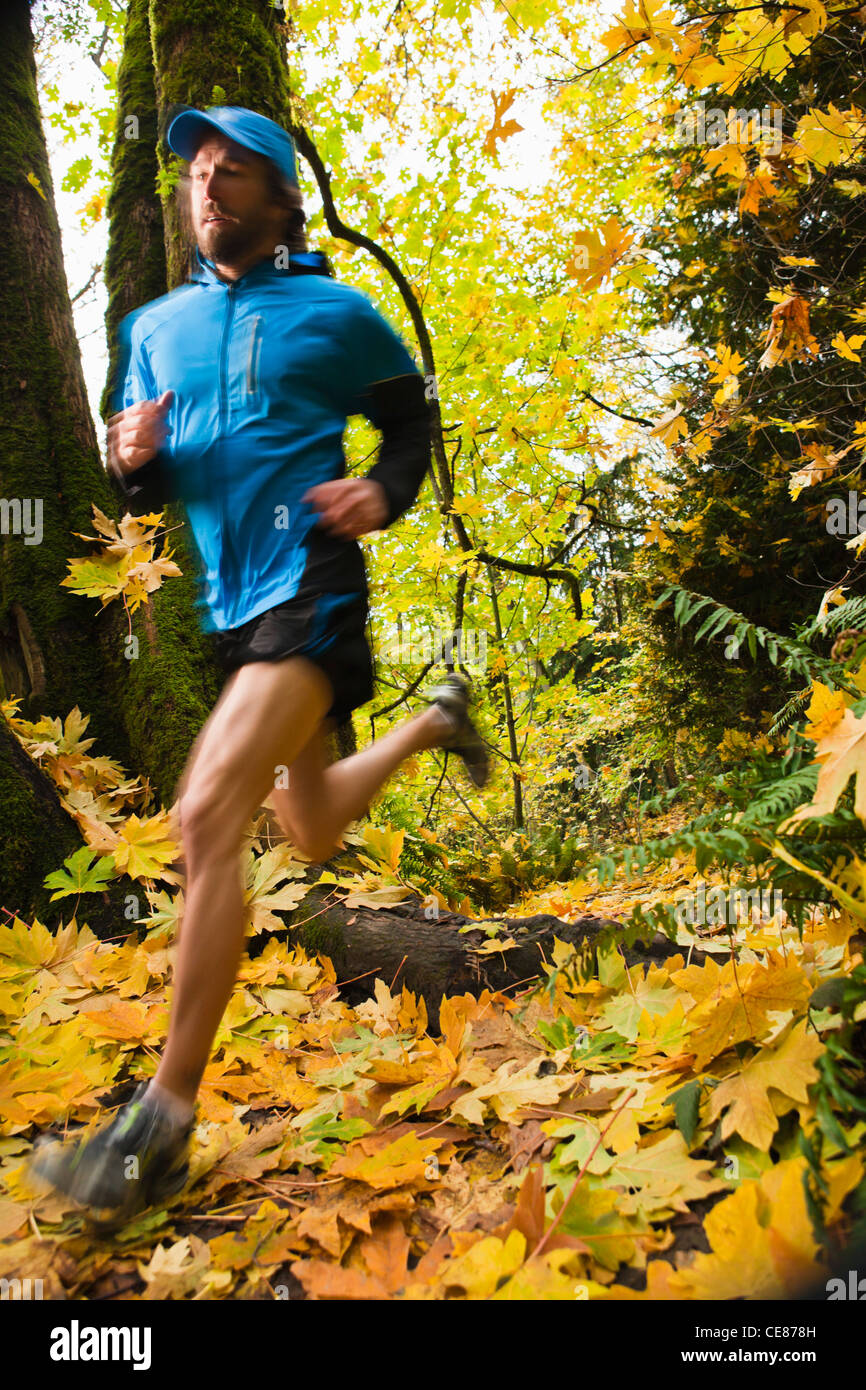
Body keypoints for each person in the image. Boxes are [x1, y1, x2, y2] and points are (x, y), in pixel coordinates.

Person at [31, 106, 488, 1226]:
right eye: (195, 171)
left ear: (283, 200)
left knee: (202, 816)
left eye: (234, 172)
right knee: (313, 825)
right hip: (231, 611)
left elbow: (411, 426)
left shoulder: (335, 314)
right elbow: (148, 471)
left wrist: (382, 491)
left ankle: (161, 1129)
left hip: (312, 584)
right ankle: (435, 721)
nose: (208, 188)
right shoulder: (151, 327)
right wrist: (129, 459)